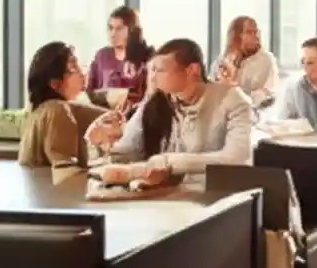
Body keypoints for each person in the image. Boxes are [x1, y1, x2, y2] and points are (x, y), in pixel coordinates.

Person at [87, 38, 253, 183]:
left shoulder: (232, 100)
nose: (153, 77)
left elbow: (237, 159)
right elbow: (126, 152)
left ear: (192, 71)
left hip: (216, 201)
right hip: (161, 198)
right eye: (153, 70)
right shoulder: (155, 104)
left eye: (160, 70)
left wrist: (168, 163)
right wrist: (100, 144)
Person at [18, 42, 90, 167]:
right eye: (73, 67)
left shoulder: (41, 111)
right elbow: (66, 173)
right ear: (55, 84)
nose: (81, 72)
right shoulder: (58, 111)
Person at [86, 6, 153, 114]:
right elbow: (89, 91)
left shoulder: (147, 57)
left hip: (136, 114)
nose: (113, 34)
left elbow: (150, 95)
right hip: (103, 114)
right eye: (110, 28)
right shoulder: (102, 56)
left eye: (119, 29)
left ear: (132, 30)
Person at [215, 15, 279, 107]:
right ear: (236, 35)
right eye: (249, 32)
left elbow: (265, 96)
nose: (255, 36)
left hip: (254, 113)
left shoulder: (266, 60)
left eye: (256, 32)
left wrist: (234, 89)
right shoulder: (222, 60)